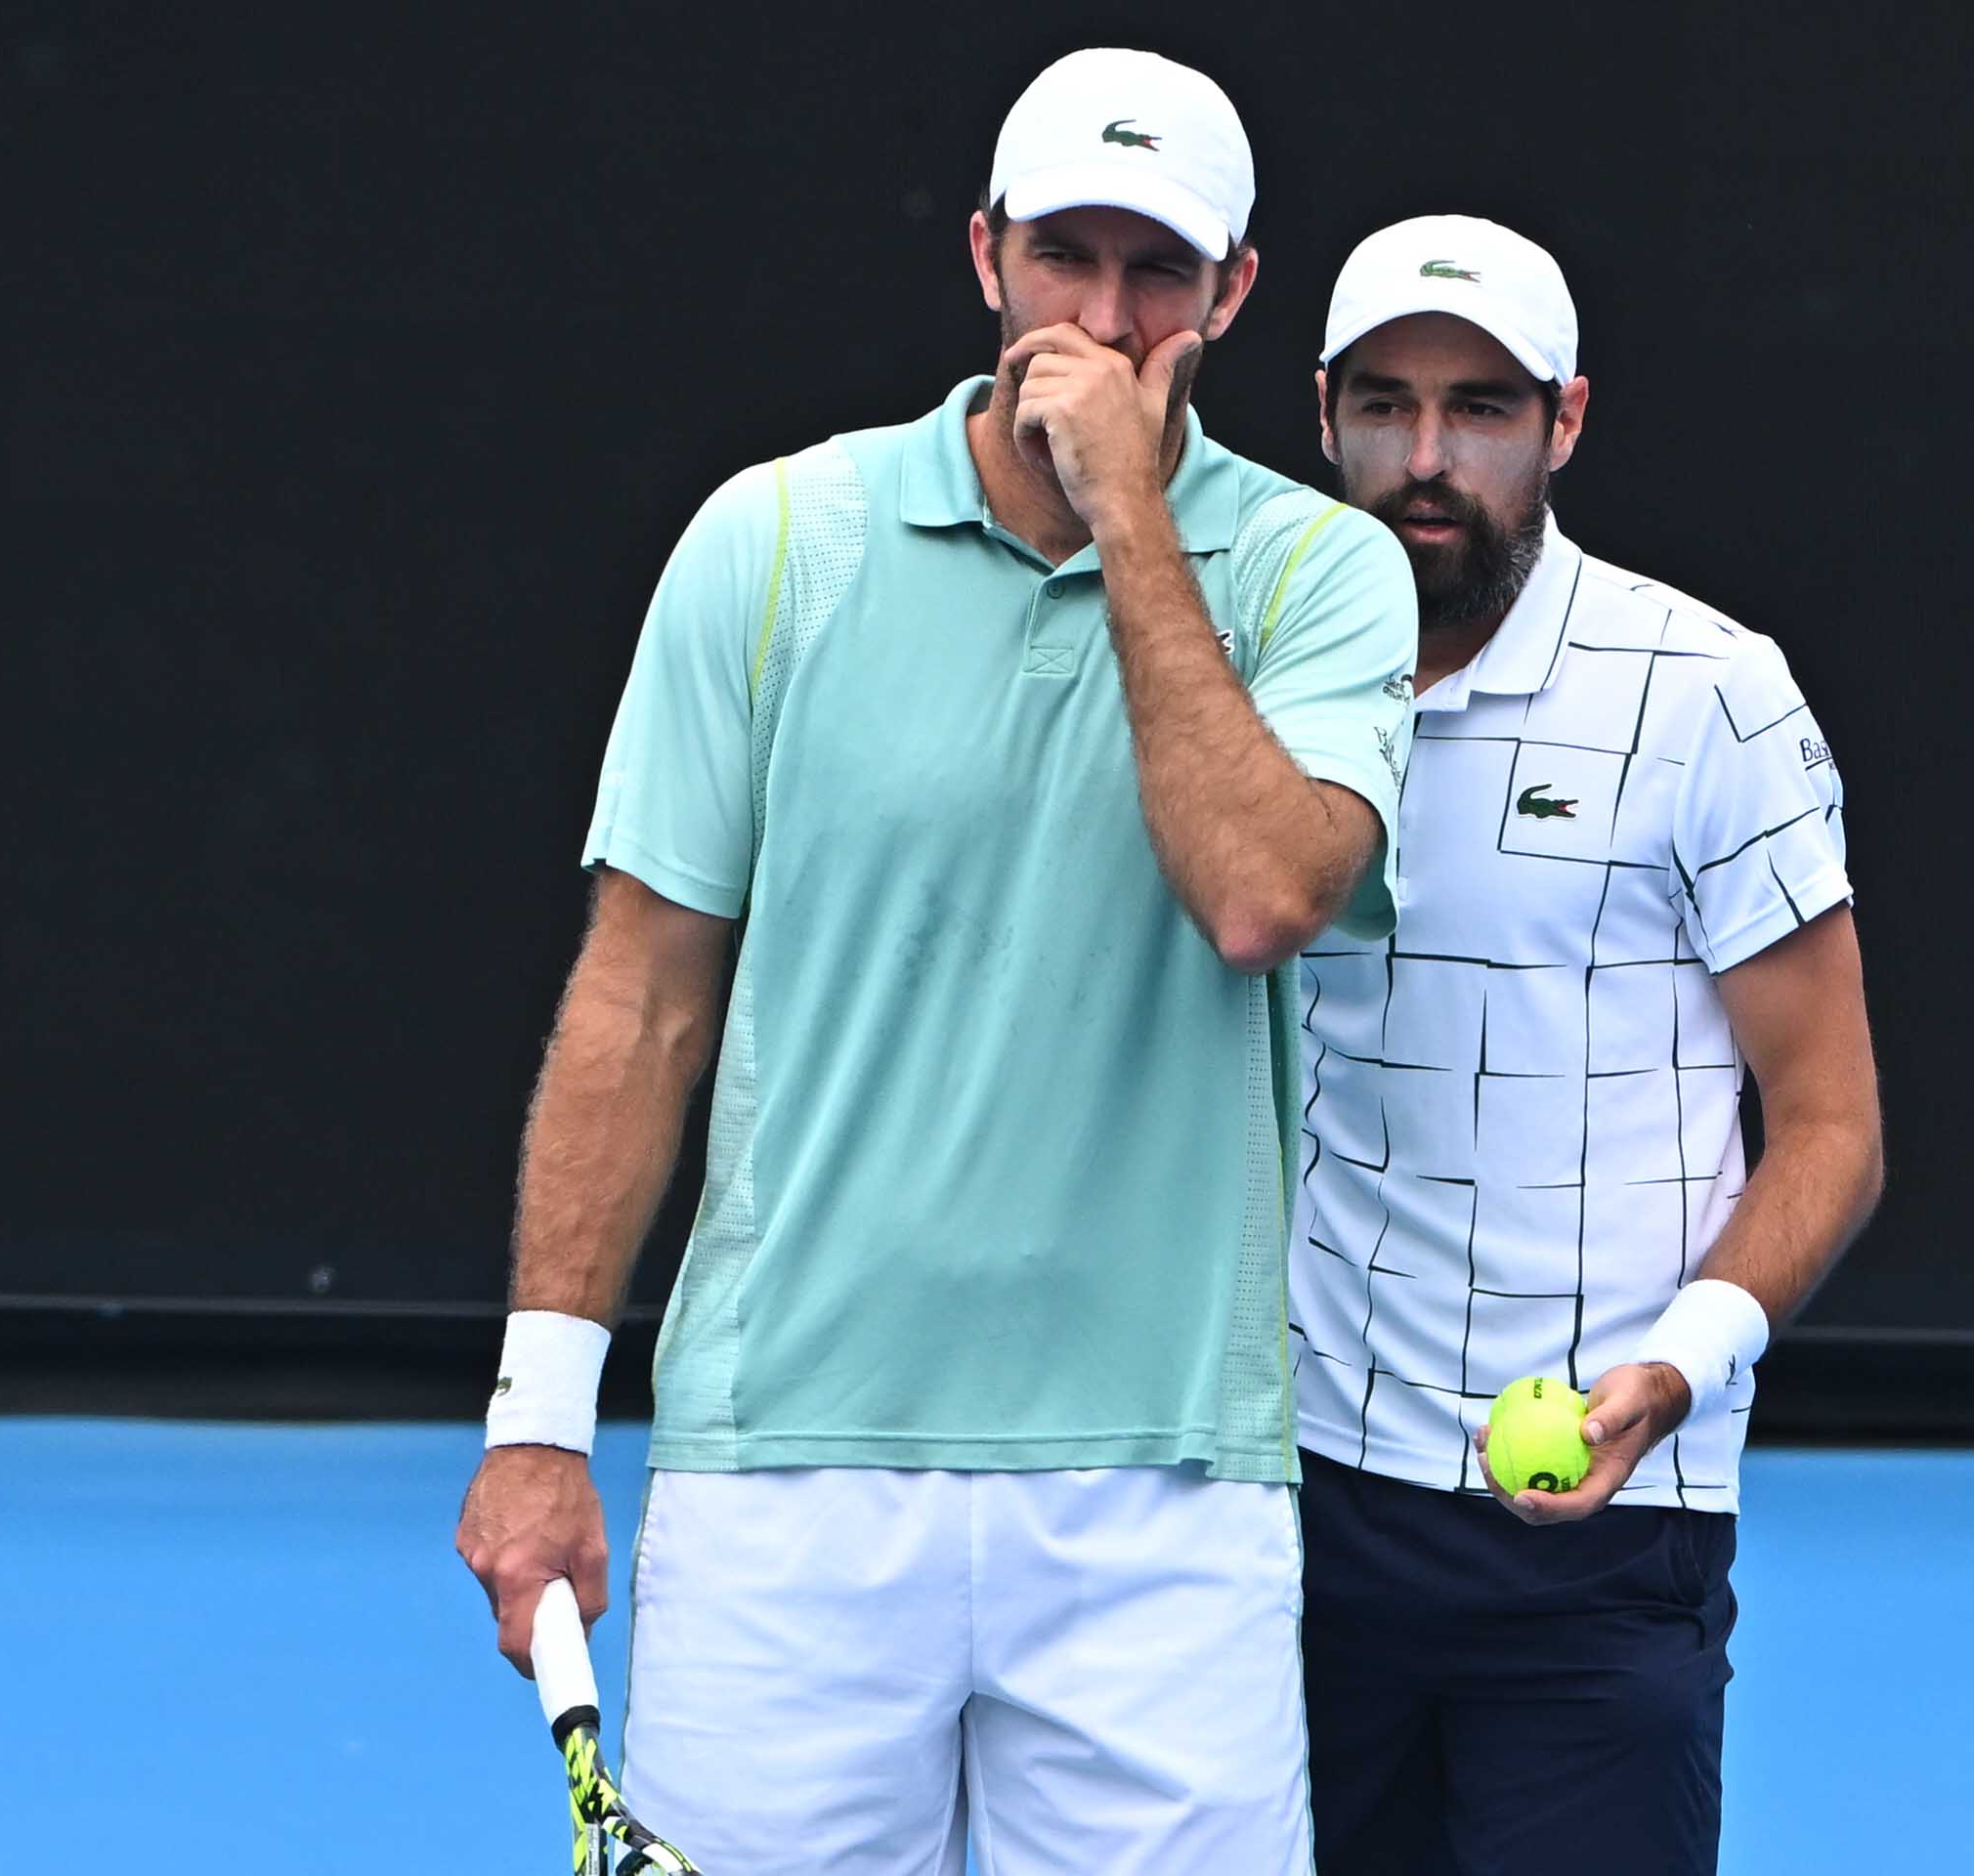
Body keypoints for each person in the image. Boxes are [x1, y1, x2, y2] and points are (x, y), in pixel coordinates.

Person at [451, 50, 1419, 1876]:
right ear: (986, 255)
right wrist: (540, 1422)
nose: (1105, 317)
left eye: (1158, 274)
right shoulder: (773, 545)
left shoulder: (1316, 577)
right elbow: (641, 1000)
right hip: (786, 1479)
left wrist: (1132, 513)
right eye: (1067, 256)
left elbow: (1262, 896)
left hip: (1169, 1498)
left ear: (1233, 297)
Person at [1287, 214, 1886, 1875]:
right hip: (1300, 1513)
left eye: (1481, 408)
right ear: (1319, 413)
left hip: (1613, 1523)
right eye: (1386, 406)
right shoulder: (1247, 676)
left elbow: (1829, 1120)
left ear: (1566, 421)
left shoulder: (1713, 694)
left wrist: (1675, 1370)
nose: (1427, 457)